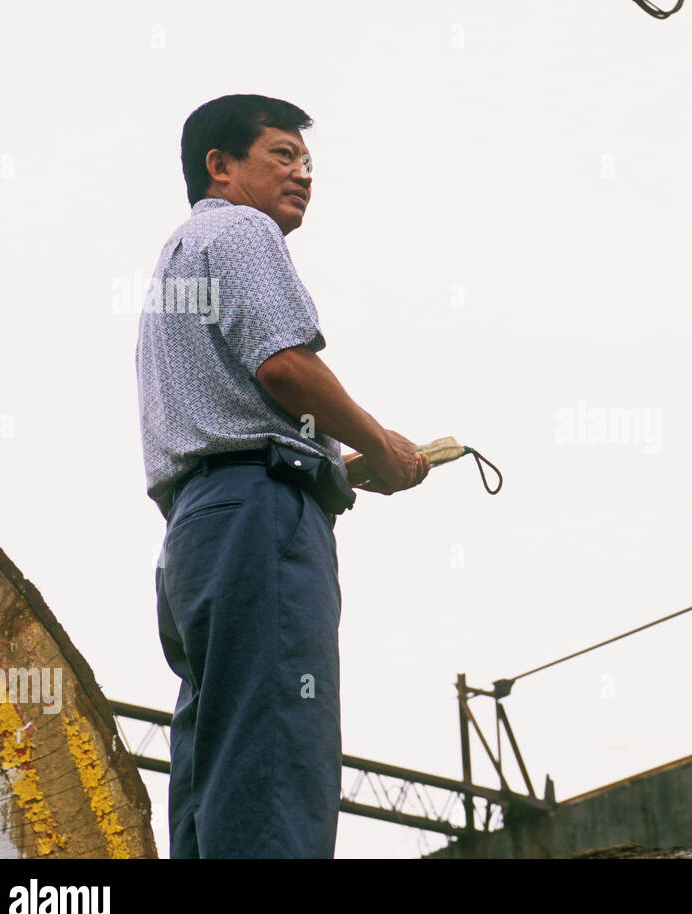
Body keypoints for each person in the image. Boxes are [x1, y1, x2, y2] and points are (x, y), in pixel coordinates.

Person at [135, 93, 429, 857]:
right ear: (220, 166)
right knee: (274, 748)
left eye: (307, 161)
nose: (302, 174)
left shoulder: (176, 258)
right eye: (282, 155)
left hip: (204, 528)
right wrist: (383, 445)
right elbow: (284, 365)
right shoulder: (242, 230)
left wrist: (335, 464)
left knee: (218, 751)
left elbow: (233, 415)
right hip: (257, 518)